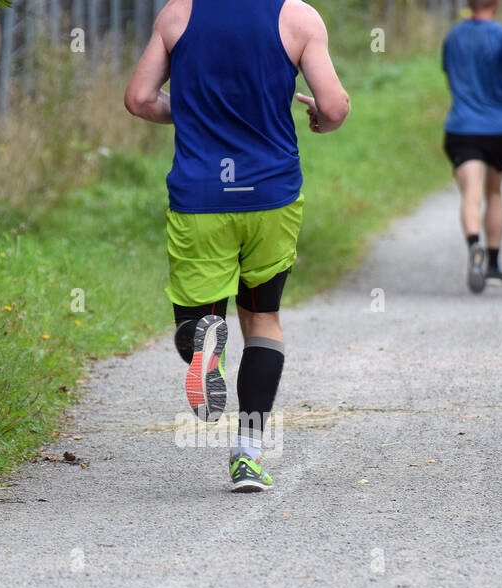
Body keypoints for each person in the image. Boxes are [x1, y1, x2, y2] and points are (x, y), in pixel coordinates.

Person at [125, 0, 349, 492]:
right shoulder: (298, 18)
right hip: (271, 195)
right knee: (263, 317)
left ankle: (204, 348)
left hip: (200, 195)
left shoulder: (177, 15)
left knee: (198, 320)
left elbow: (139, 100)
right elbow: (333, 108)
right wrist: (320, 120)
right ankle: (248, 453)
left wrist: (187, 111)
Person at [442, 0, 502, 293]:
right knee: (494, 192)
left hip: (463, 126)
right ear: (496, 3)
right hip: (500, 127)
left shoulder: (454, 35)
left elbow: (450, 79)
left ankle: (473, 245)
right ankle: (493, 265)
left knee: (472, 192)